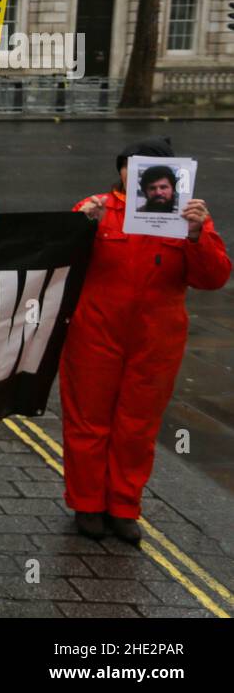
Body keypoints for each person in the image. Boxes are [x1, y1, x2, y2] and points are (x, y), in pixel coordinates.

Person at [60, 137, 229, 544]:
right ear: (121, 170)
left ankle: (123, 506)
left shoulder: (188, 216)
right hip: (95, 333)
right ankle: (87, 505)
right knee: (88, 421)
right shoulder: (98, 206)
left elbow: (214, 277)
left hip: (156, 339)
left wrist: (196, 235)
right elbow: (59, 259)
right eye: (131, 165)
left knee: (136, 426)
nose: (139, 174)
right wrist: (83, 223)